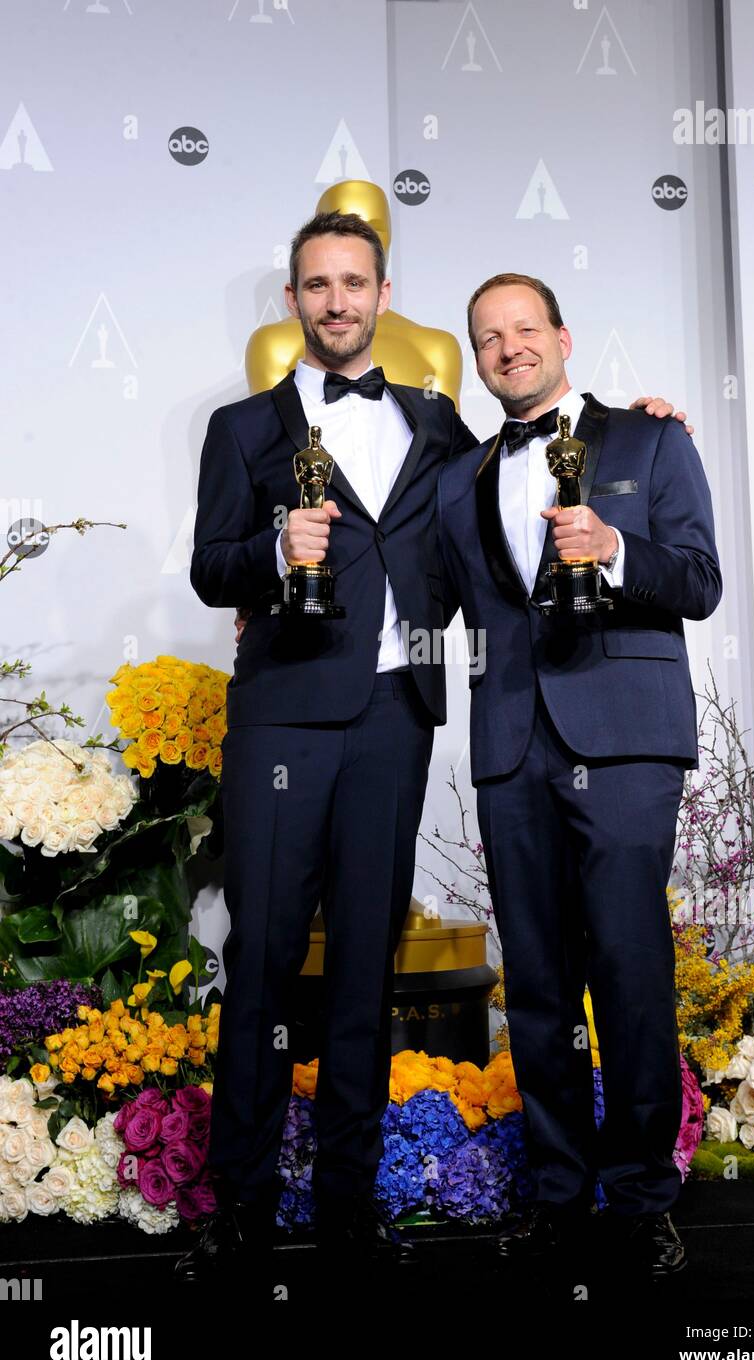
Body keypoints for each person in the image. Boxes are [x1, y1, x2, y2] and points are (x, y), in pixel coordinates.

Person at [182, 214, 688, 1286]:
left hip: (394, 720)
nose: (336, 301)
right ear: (293, 301)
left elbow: (540, 467)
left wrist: (643, 421)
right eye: (316, 285)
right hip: (282, 715)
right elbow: (210, 566)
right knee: (262, 959)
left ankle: (350, 1207)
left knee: (366, 965)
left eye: (353, 282)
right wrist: (272, 550)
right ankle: (240, 1207)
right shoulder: (241, 428)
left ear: (382, 295)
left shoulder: (441, 428)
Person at [436, 272, 722, 1280]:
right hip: (513, 747)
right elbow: (414, 590)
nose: (508, 347)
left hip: (627, 739)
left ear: (562, 337)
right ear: (476, 360)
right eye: (488, 338)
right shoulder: (459, 479)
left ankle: (642, 1197)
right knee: (539, 983)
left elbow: (699, 580)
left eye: (525, 329)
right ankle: (559, 1196)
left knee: (631, 972)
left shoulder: (652, 440)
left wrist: (614, 548)